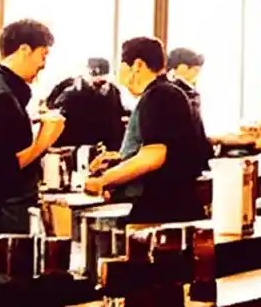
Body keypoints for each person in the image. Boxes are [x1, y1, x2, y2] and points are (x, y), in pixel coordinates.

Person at [0, 19, 65, 238]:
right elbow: (0, 168)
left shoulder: (2, 91)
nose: (43, 64)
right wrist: (45, 139)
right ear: (24, 50)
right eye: (43, 55)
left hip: (0, 215)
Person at [84, 36, 203, 224]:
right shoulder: (165, 93)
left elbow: (153, 156)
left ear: (137, 65)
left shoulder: (160, 95)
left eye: (122, 65)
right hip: (171, 208)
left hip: (164, 211)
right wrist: (119, 160)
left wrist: (103, 180)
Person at [46, 57, 127, 150]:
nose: (98, 81)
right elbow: (52, 108)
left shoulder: (113, 92)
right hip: (74, 147)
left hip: (101, 148)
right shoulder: (68, 88)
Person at [166, 47, 211, 171]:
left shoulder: (186, 90)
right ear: (182, 68)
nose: (197, 74)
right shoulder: (176, 92)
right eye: (195, 70)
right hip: (182, 159)